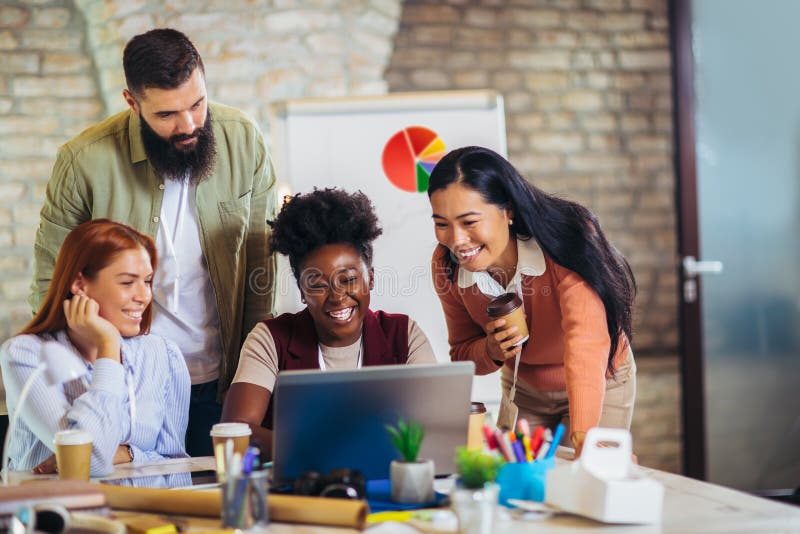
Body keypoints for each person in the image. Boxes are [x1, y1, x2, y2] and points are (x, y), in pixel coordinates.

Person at [28, 28, 277, 456]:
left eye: (197, 104)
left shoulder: (243, 139)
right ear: (132, 102)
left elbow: (261, 270)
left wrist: (251, 374)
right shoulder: (82, 161)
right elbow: (49, 286)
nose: (188, 125)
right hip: (127, 390)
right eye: (166, 115)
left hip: (224, 384)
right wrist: (81, 388)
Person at [428, 146, 637, 457]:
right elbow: (462, 352)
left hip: (599, 381)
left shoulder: (566, 242)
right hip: (524, 388)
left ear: (508, 210)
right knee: (514, 476)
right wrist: (492, 350)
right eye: (442, 224)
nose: (456, 240)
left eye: (469, 222)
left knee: (585, 474)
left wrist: (584, 435)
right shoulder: (447, 266)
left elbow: (586, 342)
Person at [221, 188, 437, 458]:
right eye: (318, 284)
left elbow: (436, 426)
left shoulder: (404, 335)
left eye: (348, 280)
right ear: (302, 291)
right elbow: (234, 432)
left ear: (370, 278)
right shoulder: (270, 339)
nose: (337, 297)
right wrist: (319, 452)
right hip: (301, 483)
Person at [1, 219, 189, 476]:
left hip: (149, 503)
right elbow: (90, 461)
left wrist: (127, 453)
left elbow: (176, 465)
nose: (144, 296)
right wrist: (108, 345)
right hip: (61, 503)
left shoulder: (163, 354)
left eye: (147, 281)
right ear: (80, 285)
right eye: (127, 282)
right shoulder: (25, 354)